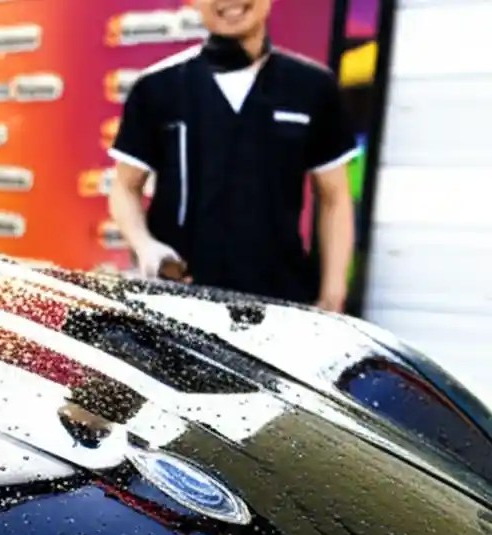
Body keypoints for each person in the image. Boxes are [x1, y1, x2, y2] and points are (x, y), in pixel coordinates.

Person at [107, 0, 359, 312]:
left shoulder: (313, 87)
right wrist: (144, 246)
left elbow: (334, 196)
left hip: (279, 301)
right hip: (177, 299)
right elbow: (125, 187)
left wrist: (333, 292)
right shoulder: (157, 87)